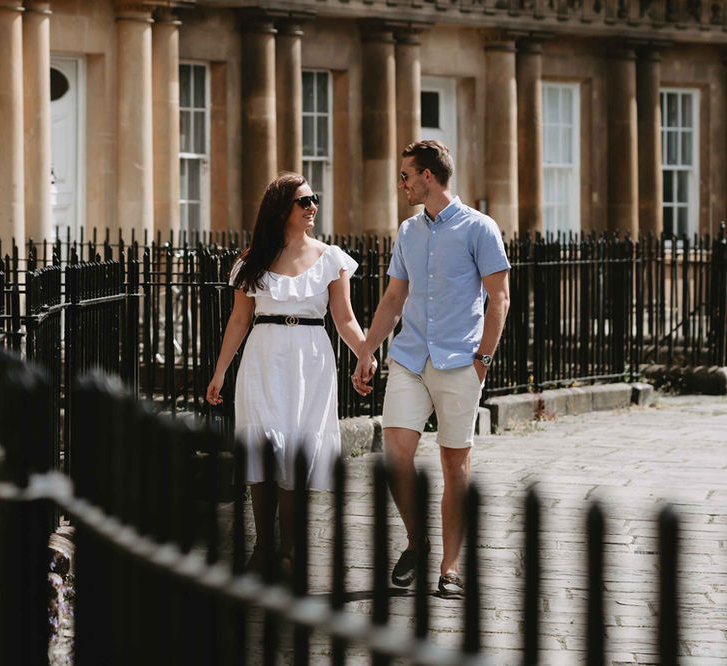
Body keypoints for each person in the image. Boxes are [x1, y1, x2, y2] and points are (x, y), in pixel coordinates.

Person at [352, 140, 510, 599]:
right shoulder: (407, 231)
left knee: (453, 465)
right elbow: (393, 299)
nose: (400, 183)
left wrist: (483, 359)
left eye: (405, 175)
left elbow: (499, 298)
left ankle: (451, 566)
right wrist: (366, 349)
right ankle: (417, 540)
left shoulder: (480, 228)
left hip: (461, 360)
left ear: (428, 176)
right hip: (410, 358)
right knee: (395, 457)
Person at [206, 172, 376, 575]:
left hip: (312, 360)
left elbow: (345, 317)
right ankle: (263, 546)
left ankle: (290, 550)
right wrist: (219, 374)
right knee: (264, 446)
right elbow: (238, 321)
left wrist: (365, 355)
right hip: (264, 357)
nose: (313, 206)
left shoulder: (331, 258)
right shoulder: (252, 261)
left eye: (314, 198)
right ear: (282, 209)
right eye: (304, 201)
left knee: (299, 449)